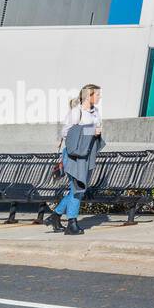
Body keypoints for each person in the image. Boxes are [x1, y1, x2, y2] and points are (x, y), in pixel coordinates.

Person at [46, 84, 104, 236]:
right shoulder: (75, 112)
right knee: (78, 189)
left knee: (77, 189)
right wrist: (91, 131)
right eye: (97, 94)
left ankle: (55, 215)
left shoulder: (95, 112)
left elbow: (94, 131)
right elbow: (66, 133)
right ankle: (71, 223)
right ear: (89, 95)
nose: (99, 97)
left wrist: (96, 133)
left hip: (88, 155)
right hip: (74, 156)